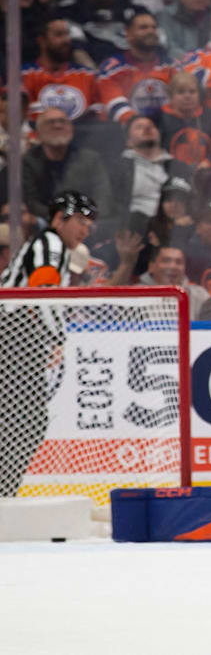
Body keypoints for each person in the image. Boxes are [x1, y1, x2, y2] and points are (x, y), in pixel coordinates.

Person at [0, 191, 98, 497]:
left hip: (18, 336)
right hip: (12, 334)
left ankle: (5, 489)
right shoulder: (50, 242)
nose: (84, 230)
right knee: (27, 419)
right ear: (59, 219)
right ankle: (4, 490)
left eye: (88, 224)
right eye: (79, 221)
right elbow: (42, 289)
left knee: (21, 418)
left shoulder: (54, 246)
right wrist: (55, 337)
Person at [21, 107, 113, 228]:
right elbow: (30, 202)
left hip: (87, 223)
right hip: (47, 222)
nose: (58, 126)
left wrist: (83, 218)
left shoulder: (90, 159)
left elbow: (103, 197)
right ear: (38, 133)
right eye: (50, 122)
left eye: (63, 121)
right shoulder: (27, 162)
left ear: (72, 130)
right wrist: (64, 218)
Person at [1, 190, 96, 288]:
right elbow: (44, 297)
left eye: (89, 226)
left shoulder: (52, 243)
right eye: (81, 221)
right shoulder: (51, 244)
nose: (85, 232)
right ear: (59, 218)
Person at [109, 114, 194, 223]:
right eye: (139, 127)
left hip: (173, 227)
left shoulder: (178, 167)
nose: (147, 129)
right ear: (128, 141)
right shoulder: (117, 168)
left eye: (151, 126)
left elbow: (193, 201)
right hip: (133, 227)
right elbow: (111, 206)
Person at [97, 11, 175, 125]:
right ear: (128, 33)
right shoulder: (112, 68)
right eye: (143, 28)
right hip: (125, 133)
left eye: (154, 27)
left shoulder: (172, 66)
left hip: (168, 128)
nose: (150, 31)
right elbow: (115, 105)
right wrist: (142, 126)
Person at [22, 16, 103, 125]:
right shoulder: (24, 75)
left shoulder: (87, 75)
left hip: (83, 140)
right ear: (42, 41)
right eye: (59, 35)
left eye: (67, 34)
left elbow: (99, 117)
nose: (66, 40)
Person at [135, 244, 211, 320]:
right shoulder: (133, 294)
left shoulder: (200, 296)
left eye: (179, 262)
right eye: (166, 261)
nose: (173, 266)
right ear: (151, 266)